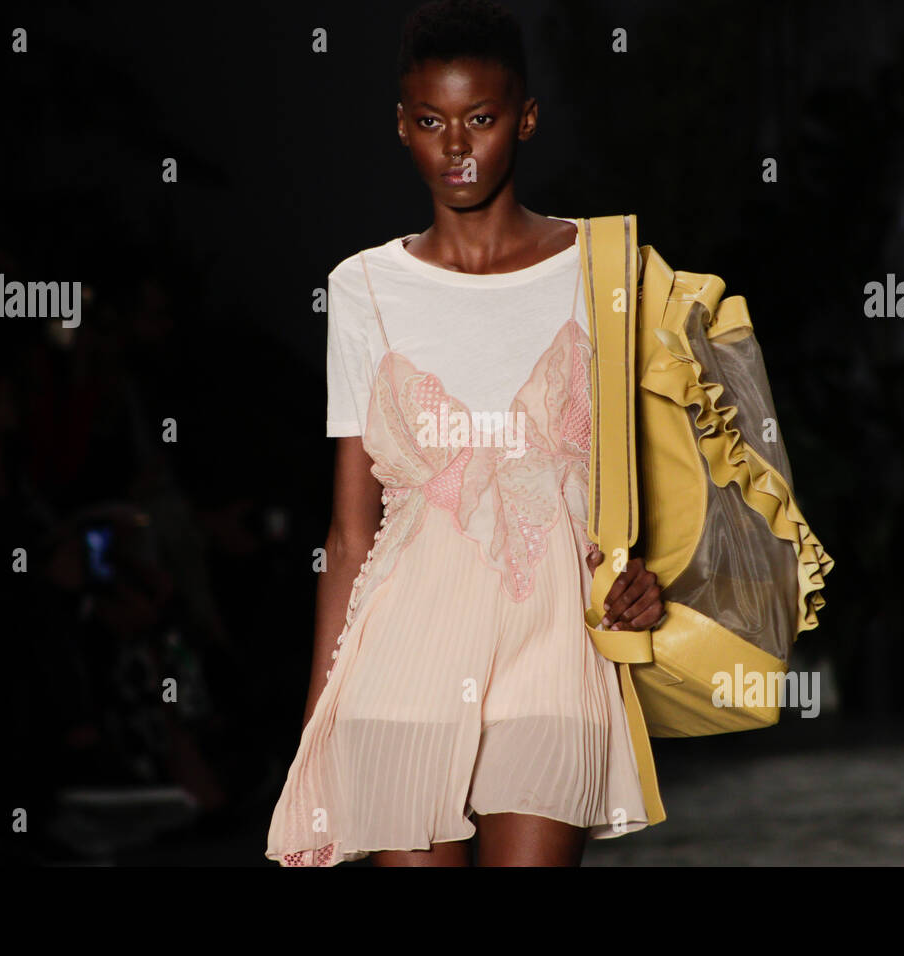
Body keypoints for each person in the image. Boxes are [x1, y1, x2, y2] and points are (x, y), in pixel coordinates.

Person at [265, 0, 664, 867]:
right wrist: (317, 727)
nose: (456, 147)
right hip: (401, 651)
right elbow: (349, 531)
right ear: (401, 127)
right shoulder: (365, 287)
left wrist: (651, 573)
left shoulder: (603, 272)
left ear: (522, 119)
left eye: (480, 119)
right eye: (431, 122)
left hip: (552, 646)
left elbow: (650, 480)